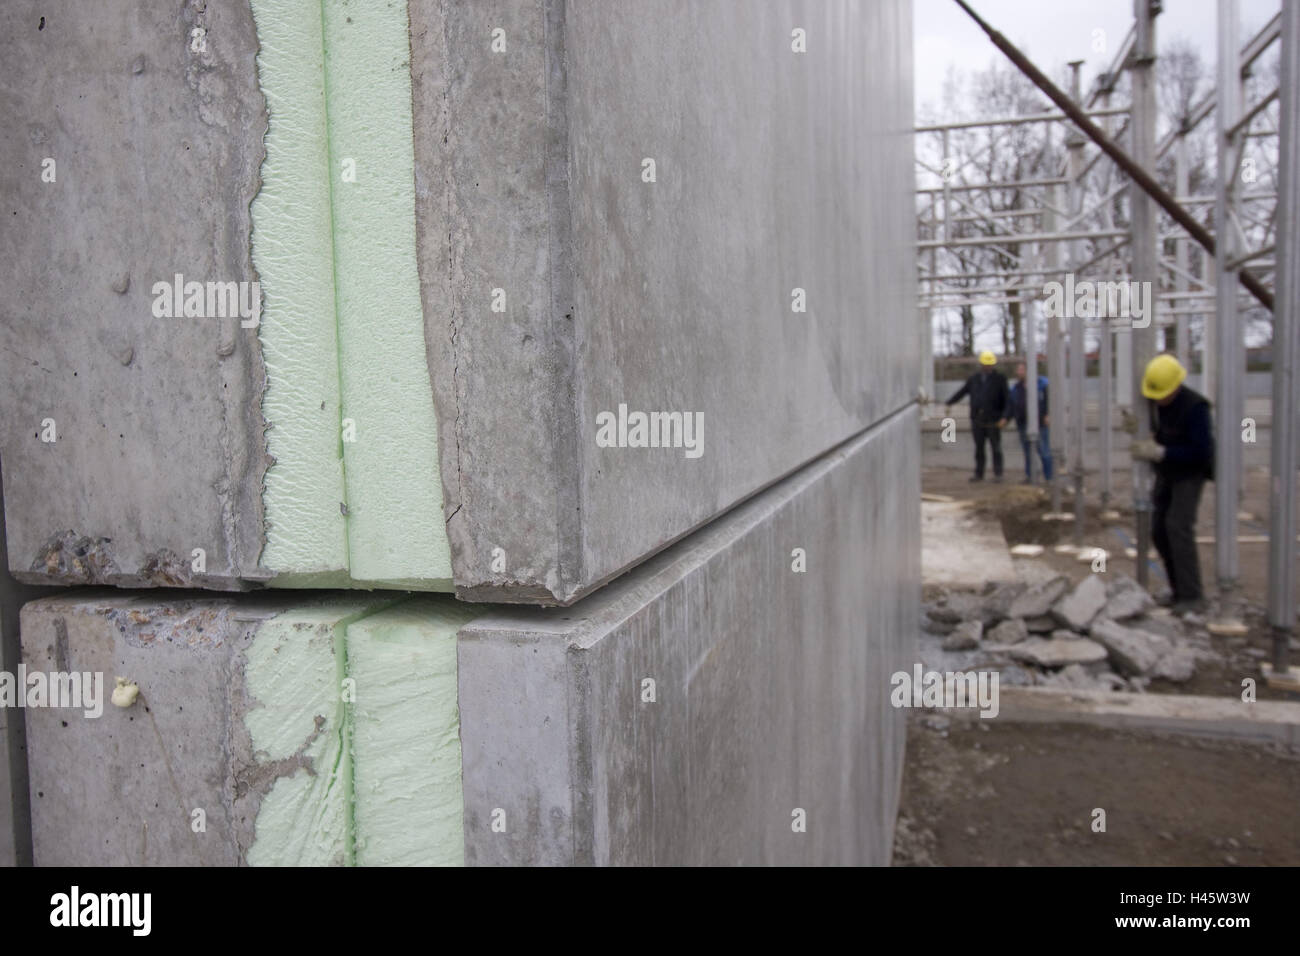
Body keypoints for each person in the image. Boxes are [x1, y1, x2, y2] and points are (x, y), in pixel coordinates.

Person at [1129, 354, 1215, 614]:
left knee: (1178, 527)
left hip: (1190, 473)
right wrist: (1136, 428)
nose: (1158, 400)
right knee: (1159, 530)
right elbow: (1152, 428)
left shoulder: (1196, 407)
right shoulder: (1155, 402)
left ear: (1176, 386)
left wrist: (1162, 452)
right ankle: (1177, 589)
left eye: (1162, 395)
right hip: (1167, 473)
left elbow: (1202, 452)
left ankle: (1192, 595)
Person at [945, 350, 1010, 482]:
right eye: (986, 365)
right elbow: (962, 392)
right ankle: (979, 474)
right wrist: (949, 402)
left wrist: (1005, 417)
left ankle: (998, 473)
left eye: (990, 365)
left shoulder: (1000, 379)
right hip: (977, 420)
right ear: (981, 364)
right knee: (979, 448)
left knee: (996, 447)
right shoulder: (974, 379)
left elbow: (1007, 400)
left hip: (994, 420)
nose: (987, 367)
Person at [1008, 362, 1053, 483]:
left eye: (1022, 369)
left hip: (1040, 423)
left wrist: (1048, 414)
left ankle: (1050, 477)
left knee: (1044, 451)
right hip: (1023, 423)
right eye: (1018, 370)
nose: (1019, 372)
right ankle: (1031, 476)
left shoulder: (1042, 384)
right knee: (1028, 452)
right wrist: (1006, 418)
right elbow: (1012, 405)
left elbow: (1050, 399)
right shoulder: (1016, 388)